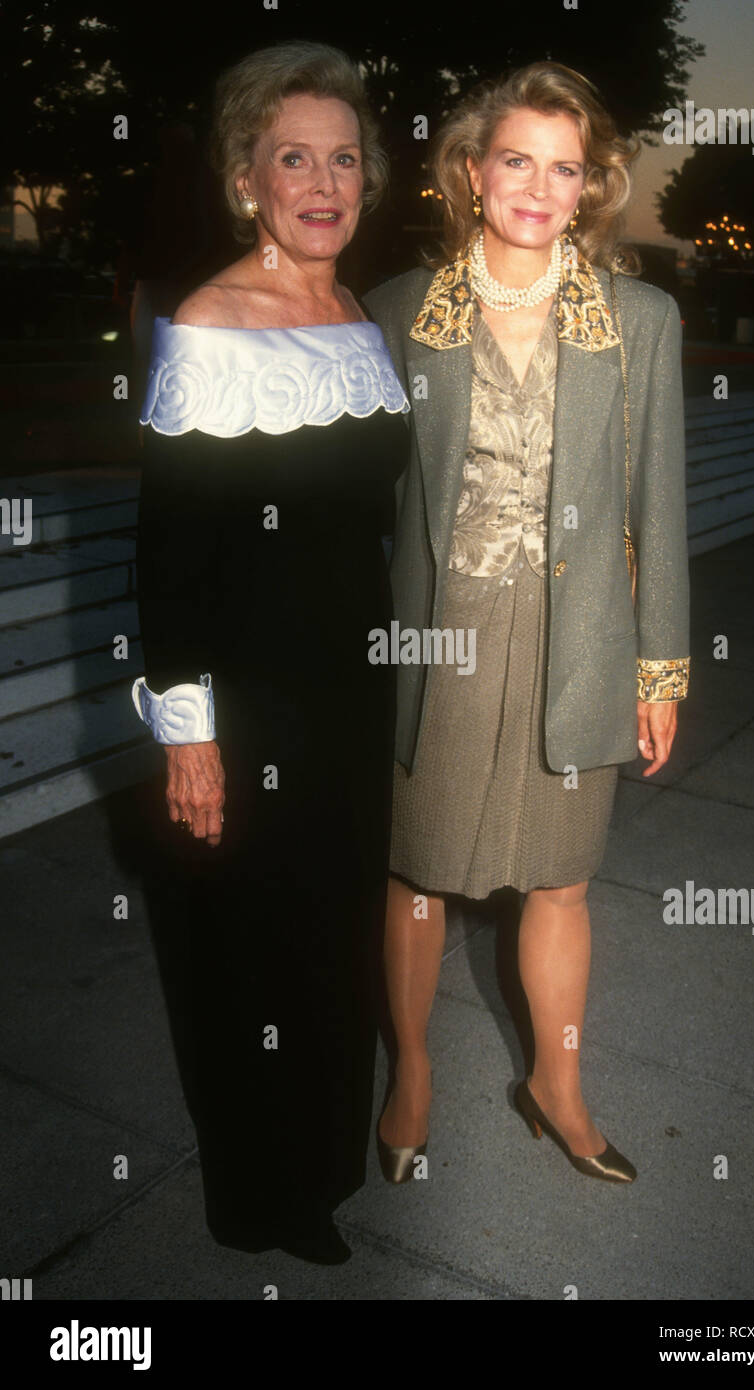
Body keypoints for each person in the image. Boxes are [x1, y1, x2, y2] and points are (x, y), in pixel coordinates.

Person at [365, 61, 689, 1185]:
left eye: (565, 168)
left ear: (589, 184)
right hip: (438, 639)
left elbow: (659, 504)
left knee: (561, 880)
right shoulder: (398, 311)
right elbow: (360, 505)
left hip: (579, 639)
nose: (540, 188)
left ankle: (557, 1083)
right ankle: (412, 1073)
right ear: (472, 170)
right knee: (416, 873)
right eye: (517, 160)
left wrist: (660, 670)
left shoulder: (639, 320)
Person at [131, 41, 408, 1263]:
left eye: (342, 159)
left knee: (336, 937)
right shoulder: (210, 325)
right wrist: (188, 736)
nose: (322, 183)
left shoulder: (357, 315)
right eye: (293, 158)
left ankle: (322, 1175)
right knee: (249, 953)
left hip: (351, 689)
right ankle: (259, 1199)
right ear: (246, 178)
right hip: (248, 700)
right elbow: (170, 558)